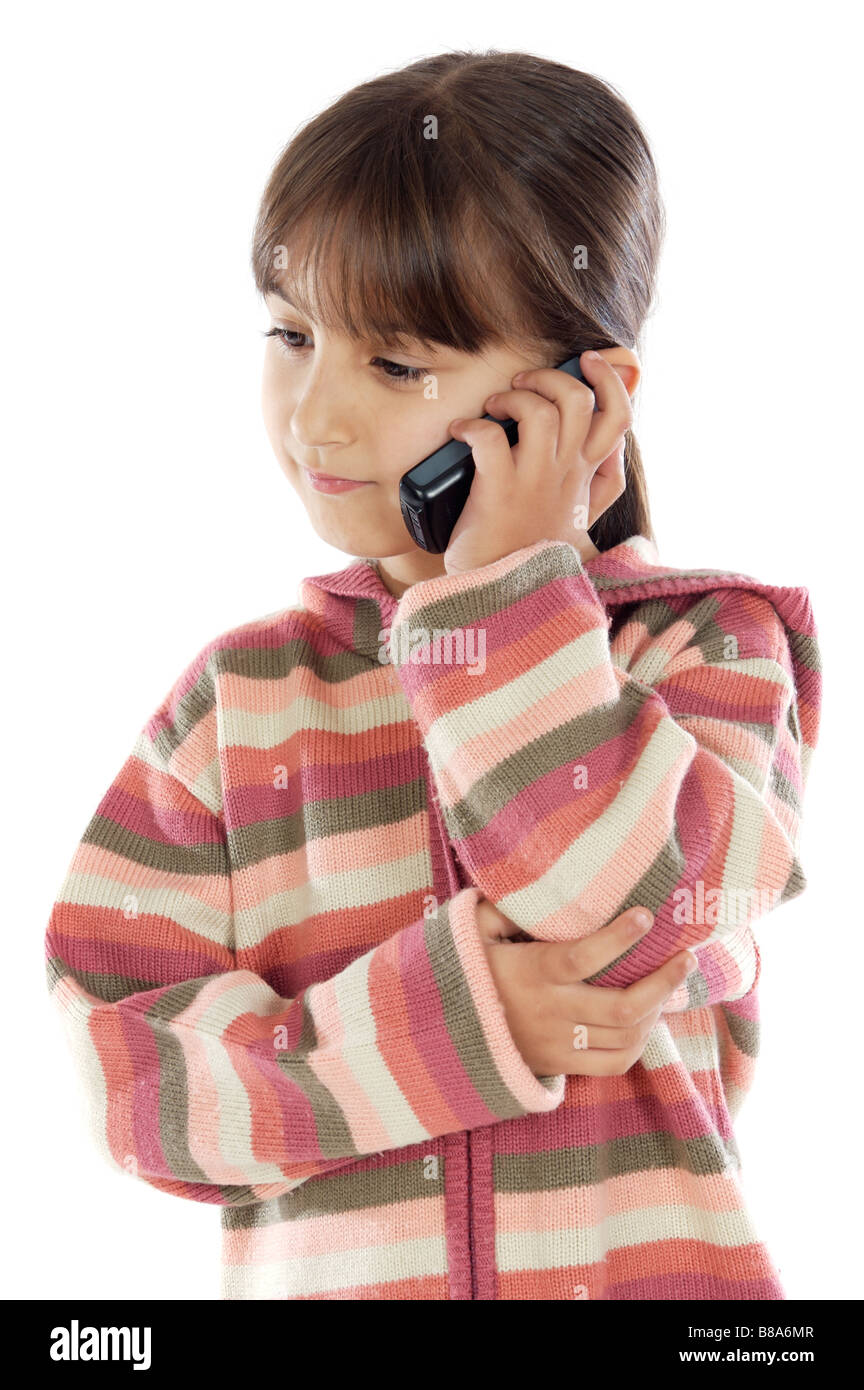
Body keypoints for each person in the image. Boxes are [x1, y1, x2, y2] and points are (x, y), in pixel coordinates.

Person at [44, 50, 822, 1300]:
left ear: (587, 398)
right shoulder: (232, 707)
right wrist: (446, 1025)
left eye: (397, 365)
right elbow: (132, 1084)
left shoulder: (708, 649)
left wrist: (503, 602)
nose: (317, 422)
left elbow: (630, 926)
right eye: (293, 336)